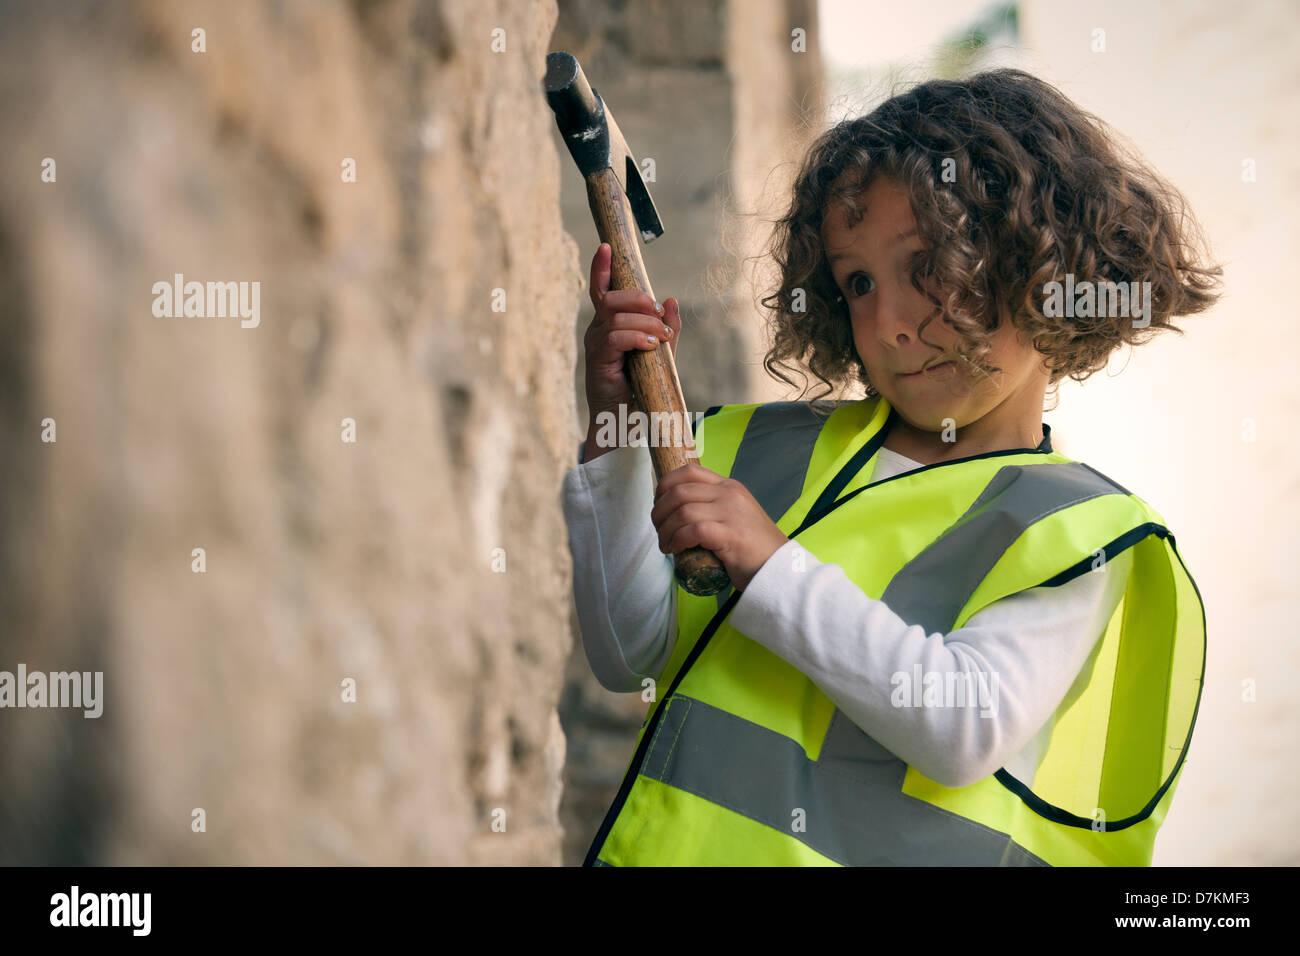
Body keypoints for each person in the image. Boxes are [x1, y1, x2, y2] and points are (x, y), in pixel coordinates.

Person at [561, 69, 1222, 866]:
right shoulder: (762, 452)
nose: (889, 322)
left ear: (1044, 269)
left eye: (928, 266)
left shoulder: (1072, 530)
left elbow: (961, 725)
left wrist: (770, 562)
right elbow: (627, 652)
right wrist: (619, 424)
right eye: (858, 282)